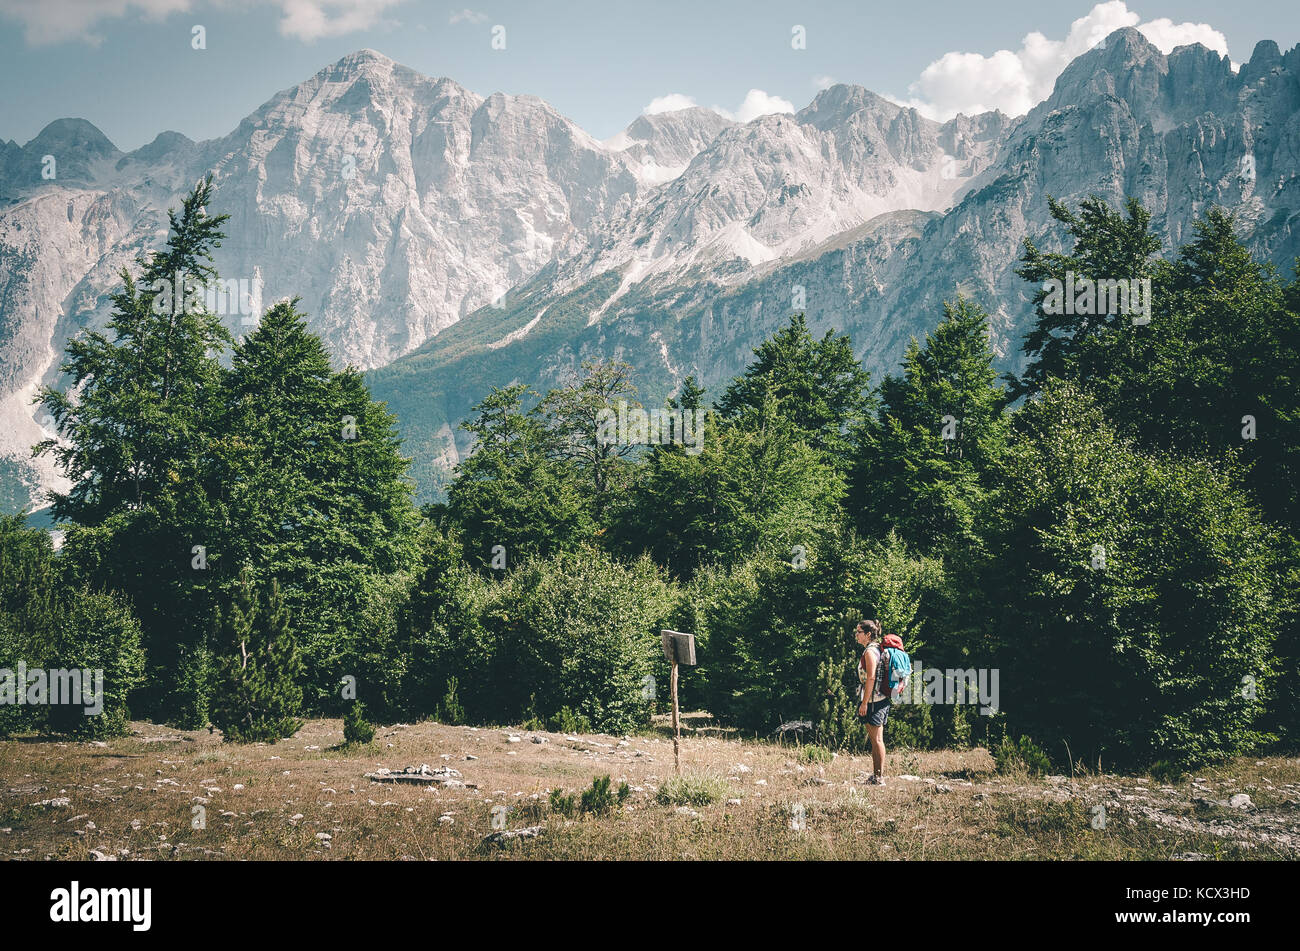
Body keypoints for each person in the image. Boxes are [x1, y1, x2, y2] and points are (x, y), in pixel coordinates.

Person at [855, 618, 889, 786]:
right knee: (876, 740)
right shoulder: (877, 649)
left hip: (873, 701)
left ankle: (879, 777)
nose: (856, 635)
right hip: (881, 698)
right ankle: (876, 776)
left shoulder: (869, 652)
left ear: (868, 634)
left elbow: (871, 677)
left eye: (858, 632)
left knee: (876, 740)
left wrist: (865, 703)